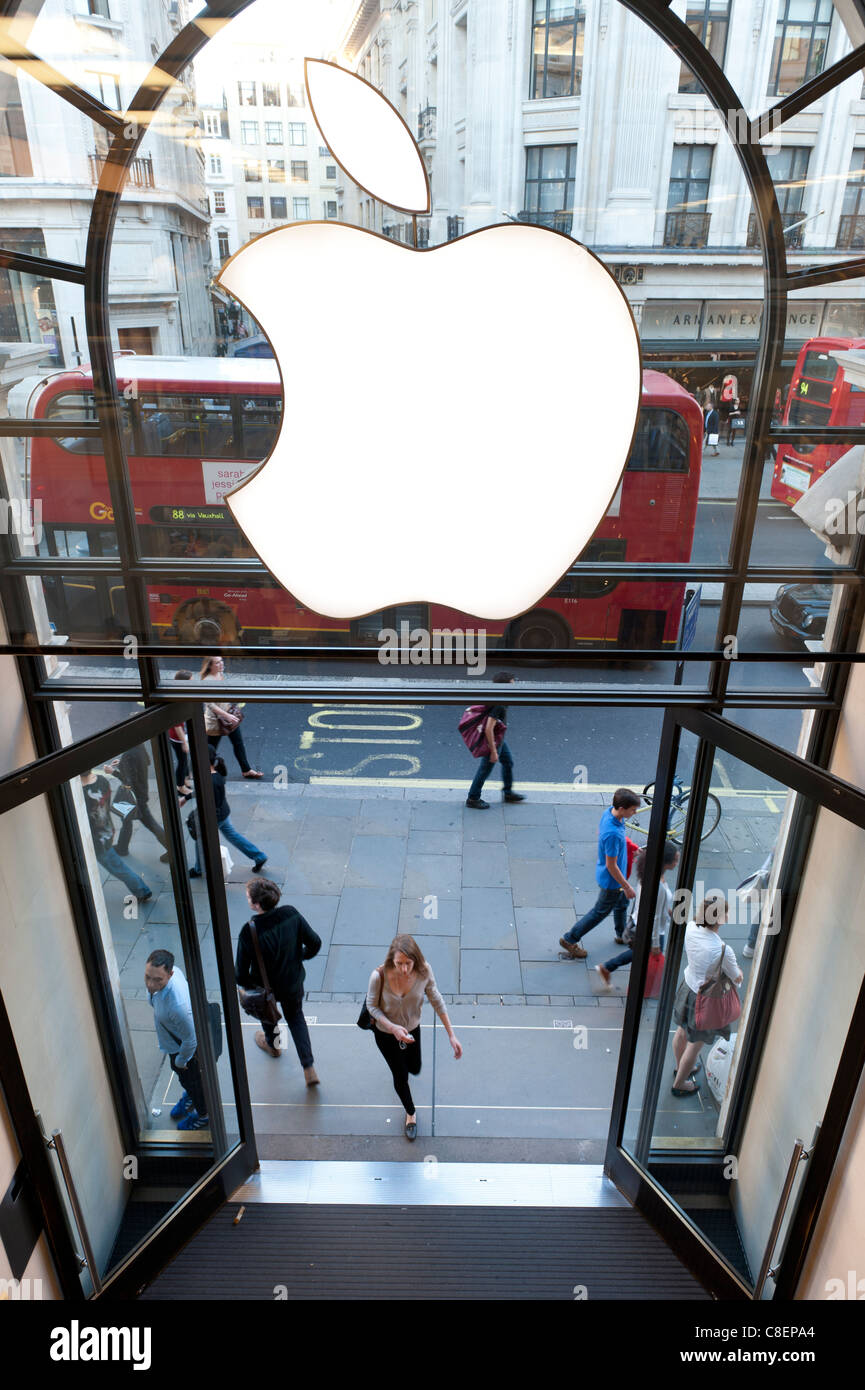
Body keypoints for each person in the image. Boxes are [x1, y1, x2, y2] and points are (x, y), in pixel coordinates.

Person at [365, 934, 462, 1140]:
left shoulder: (424, 971)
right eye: (399, 963)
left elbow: (436, 999)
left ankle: (405, 1070)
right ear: (392, 959)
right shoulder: (379, 976)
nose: (404, 969)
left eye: (408, 963)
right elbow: (371, 1006)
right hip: (386, 1034)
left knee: (414, 1067)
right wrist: (392, 1028)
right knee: (400, 1076)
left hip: (412, 1029)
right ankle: (410, 1113)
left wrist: (451, 1036)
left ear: (416, 960)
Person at [235, 877, 322, 1083]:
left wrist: (250, 987)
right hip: (292, 982)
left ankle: (273, 1046)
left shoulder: (249, 930)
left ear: (256, 904)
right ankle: (308, 1067)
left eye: (248, 897)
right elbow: (315, 943)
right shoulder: (290, 914)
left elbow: (240, 973)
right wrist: (299, 956)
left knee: (269, 1017)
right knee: (296, 1018)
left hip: (266, 989)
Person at [671, 891, 743, 1098]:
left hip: (687, 988)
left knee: (681, 1032)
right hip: (705, 1001)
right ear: (720, 919)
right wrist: (740, 975)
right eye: (726, 913)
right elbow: (735, 976)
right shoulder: (721, 949)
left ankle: (680, 1067)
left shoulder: (691, 928)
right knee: (694, 1047)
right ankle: (680, 1083)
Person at [558, 788, 642, 959]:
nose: (635, 812)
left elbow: (617, 841)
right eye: (633, 809)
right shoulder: (613, 833)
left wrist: (632, 847)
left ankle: (622, 935)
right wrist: (626, 887)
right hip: (613, 882)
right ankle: (570, 939)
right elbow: (611, 865)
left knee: (621, 905)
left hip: (616, 878)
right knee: (599, 912)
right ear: (622, 808)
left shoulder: (610, 814)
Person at [144, 949, 210, 1130]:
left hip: (182, 1051)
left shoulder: (178, 1006)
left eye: (158, 980)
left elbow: (191, 1040)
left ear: (170, 974)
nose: (150, 984)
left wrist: (181, 1061)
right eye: (148, 977)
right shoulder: (163, 983)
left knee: (193, 1081)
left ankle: (203, 1115)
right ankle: (190, 1096)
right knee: (187, 1081)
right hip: (173, 1043)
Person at [596, 842, 679, 986]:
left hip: (641, 921)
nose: (677, 863)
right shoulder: (657, 886)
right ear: (666, 862)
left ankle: (608, 968)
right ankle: (609, 968)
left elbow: (659, 905)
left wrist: (669, 911)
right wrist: (655, 943)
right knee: (643, 953)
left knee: (639, 953)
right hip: (652, 929)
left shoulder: (650, 874)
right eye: (676, 860)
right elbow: (655, 916)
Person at [189, 746, 267, 877]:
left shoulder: (210, 780)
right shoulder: (216, 775)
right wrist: (187, 798)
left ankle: (199, 869)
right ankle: (258, 856)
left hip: (215, 817)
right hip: (223, 814)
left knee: (200, 840)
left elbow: (211, 802)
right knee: (233, 836)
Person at [80, 769, 151, 902]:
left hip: (97, 839)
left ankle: (142, 890)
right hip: (107, 830)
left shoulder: (82, 793)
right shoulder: (102, 780)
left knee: (117, 867)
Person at [465, 672, 525, 809]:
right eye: (511, 684)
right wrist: (493, 751)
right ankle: (473, 798)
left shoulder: (498, 695)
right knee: (485, 769)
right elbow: (488, 728)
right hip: (493, 741)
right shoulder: (499, 703)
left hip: (499, 739)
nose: (514, 686)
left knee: (508, 762)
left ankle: (508, 792)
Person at [200, 654, 262, 779]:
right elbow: (210, 705)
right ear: (210, 666)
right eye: (217, 662)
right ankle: (201, 771)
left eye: (221, 661)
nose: (221, 664)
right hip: (215, 722)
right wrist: (226, 715)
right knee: (210, 748)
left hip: (229, 718)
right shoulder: (207, 681)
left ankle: (246, 770)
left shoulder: (220, 675)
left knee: (238, 743)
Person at [110, 744, 168, 861]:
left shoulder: (128, 754)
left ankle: (171, 849)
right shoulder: (139, 747)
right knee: (127, 820)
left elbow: (128, 780)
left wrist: (112, 772)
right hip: (142, 792)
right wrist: (122, 764)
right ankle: (122, 847)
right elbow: (145, 762)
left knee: (150, 824)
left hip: (133, 797)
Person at [168, 670, 194, 793]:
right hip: (177, 737)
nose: (193, 683)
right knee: (182, 761)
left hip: (179, 734)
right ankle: (180, 786)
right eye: (190, 681)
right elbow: (177, 726)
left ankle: (184, 780)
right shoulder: (177, 699)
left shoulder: (179, 693)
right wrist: (184, 742)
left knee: (183, 760)